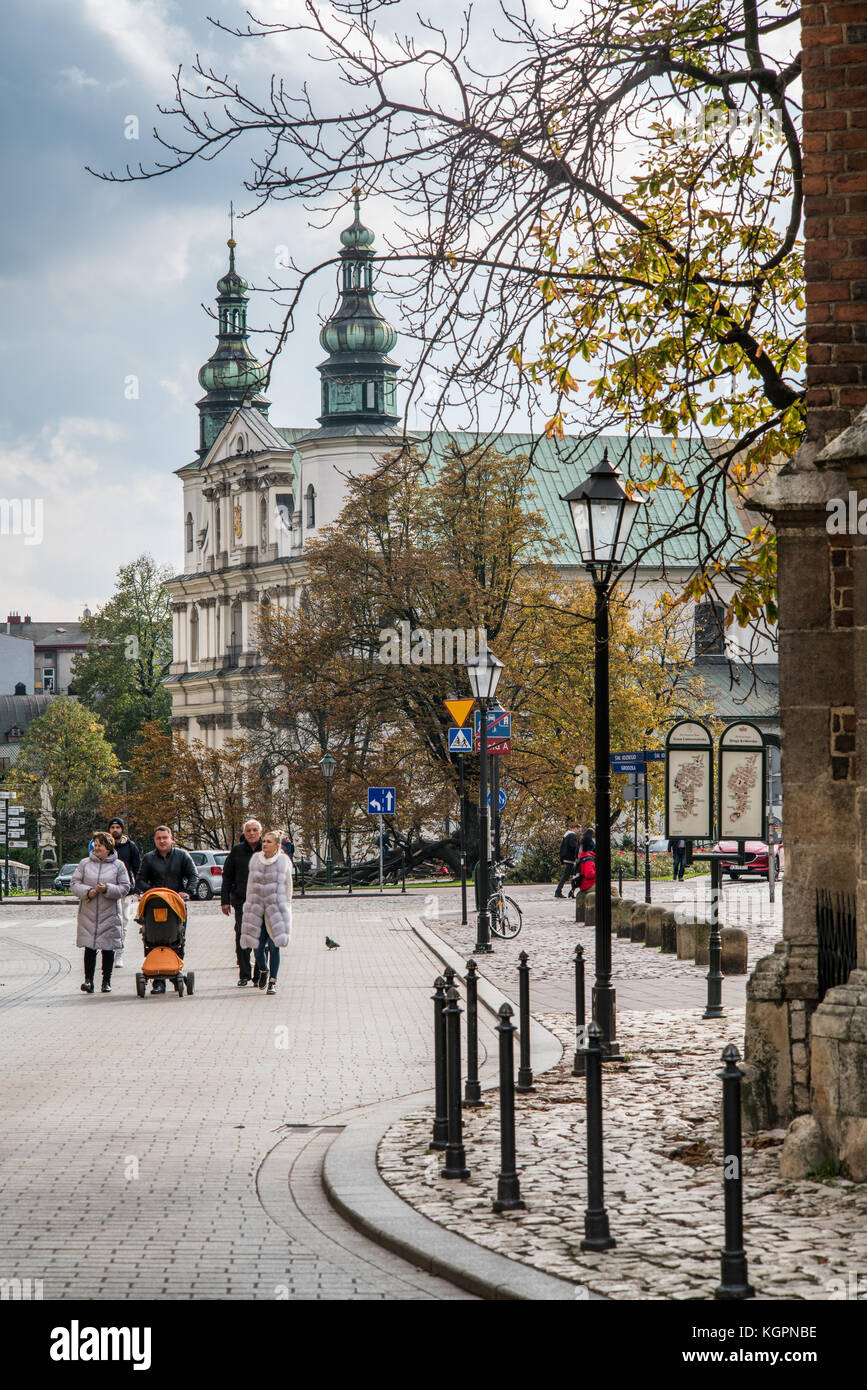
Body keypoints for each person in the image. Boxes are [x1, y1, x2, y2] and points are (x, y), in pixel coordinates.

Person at [134, 826, 197, 994]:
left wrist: (188, 892)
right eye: (158, 838)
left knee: (177, 941)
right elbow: (139, 880)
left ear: (171, 839)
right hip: (155, 906)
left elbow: (193, 875)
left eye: (165, 837)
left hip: (176, 906)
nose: (162, 841)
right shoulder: (148, 858)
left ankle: (175, 972)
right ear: (155, 840)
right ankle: (158, 981)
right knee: (154, 941)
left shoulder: (182, 856)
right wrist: (152, 891)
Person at [70, 830, 129, 994]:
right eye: (95, 845)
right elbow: (74, 883)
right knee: (90, 947)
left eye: (100, 846)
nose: (96, 849)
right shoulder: (85, 864)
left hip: (109, 912)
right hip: (89, 912)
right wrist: (88, 891)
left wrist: (107, 889)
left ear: (108, 848)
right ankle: (88, 980)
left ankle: (106, 981)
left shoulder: (118, 866)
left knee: (108, 948)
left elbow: (125, 887)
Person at [240, 830, 292, 995]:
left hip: (276, 910)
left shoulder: (283, 861)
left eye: (269, 842)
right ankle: (263, 969)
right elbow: (250, 885)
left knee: (275, 946)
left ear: (277, 845)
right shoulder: (256, 860)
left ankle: (273, 981)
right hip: (257, 910)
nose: (264, 844)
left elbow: (288, 887)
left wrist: (286, 907)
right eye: (264, 841)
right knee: (258, 947)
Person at [221, 819, 263, 986]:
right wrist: (225, 901)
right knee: (242, 937)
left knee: (261, 938)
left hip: (262, 902)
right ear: (244, 833)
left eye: (254, 830)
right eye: (248, 831)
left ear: (260, 832)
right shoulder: (237, 851)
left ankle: (259, 973)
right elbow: (227, 877)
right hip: (241, 901)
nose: (251, 833)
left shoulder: (266, 849)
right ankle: (244, 974)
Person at [107, 817, 141, 969]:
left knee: (123, 923)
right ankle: (109, 953)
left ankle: (119, 953)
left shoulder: (130, 846)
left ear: (122, 829)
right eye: (112, 827)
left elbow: (137, 868)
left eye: (117, 827)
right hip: (108, 891)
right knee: (109, 924)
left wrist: (138, 890)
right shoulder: (105, 846)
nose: (115, 830)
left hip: (127, 891)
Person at [554, 825, 581, 898]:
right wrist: (577, 856)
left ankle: (570, 892)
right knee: (571, 875)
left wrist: (562, 860)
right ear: (574, 828)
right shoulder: (573, 836)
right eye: (578, 829)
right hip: (570, 859)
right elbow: (574, 847)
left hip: (566, 858)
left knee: (572, 875)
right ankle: (558, 892)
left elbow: (562, 848)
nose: (579, 831)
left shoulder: (566, 836)